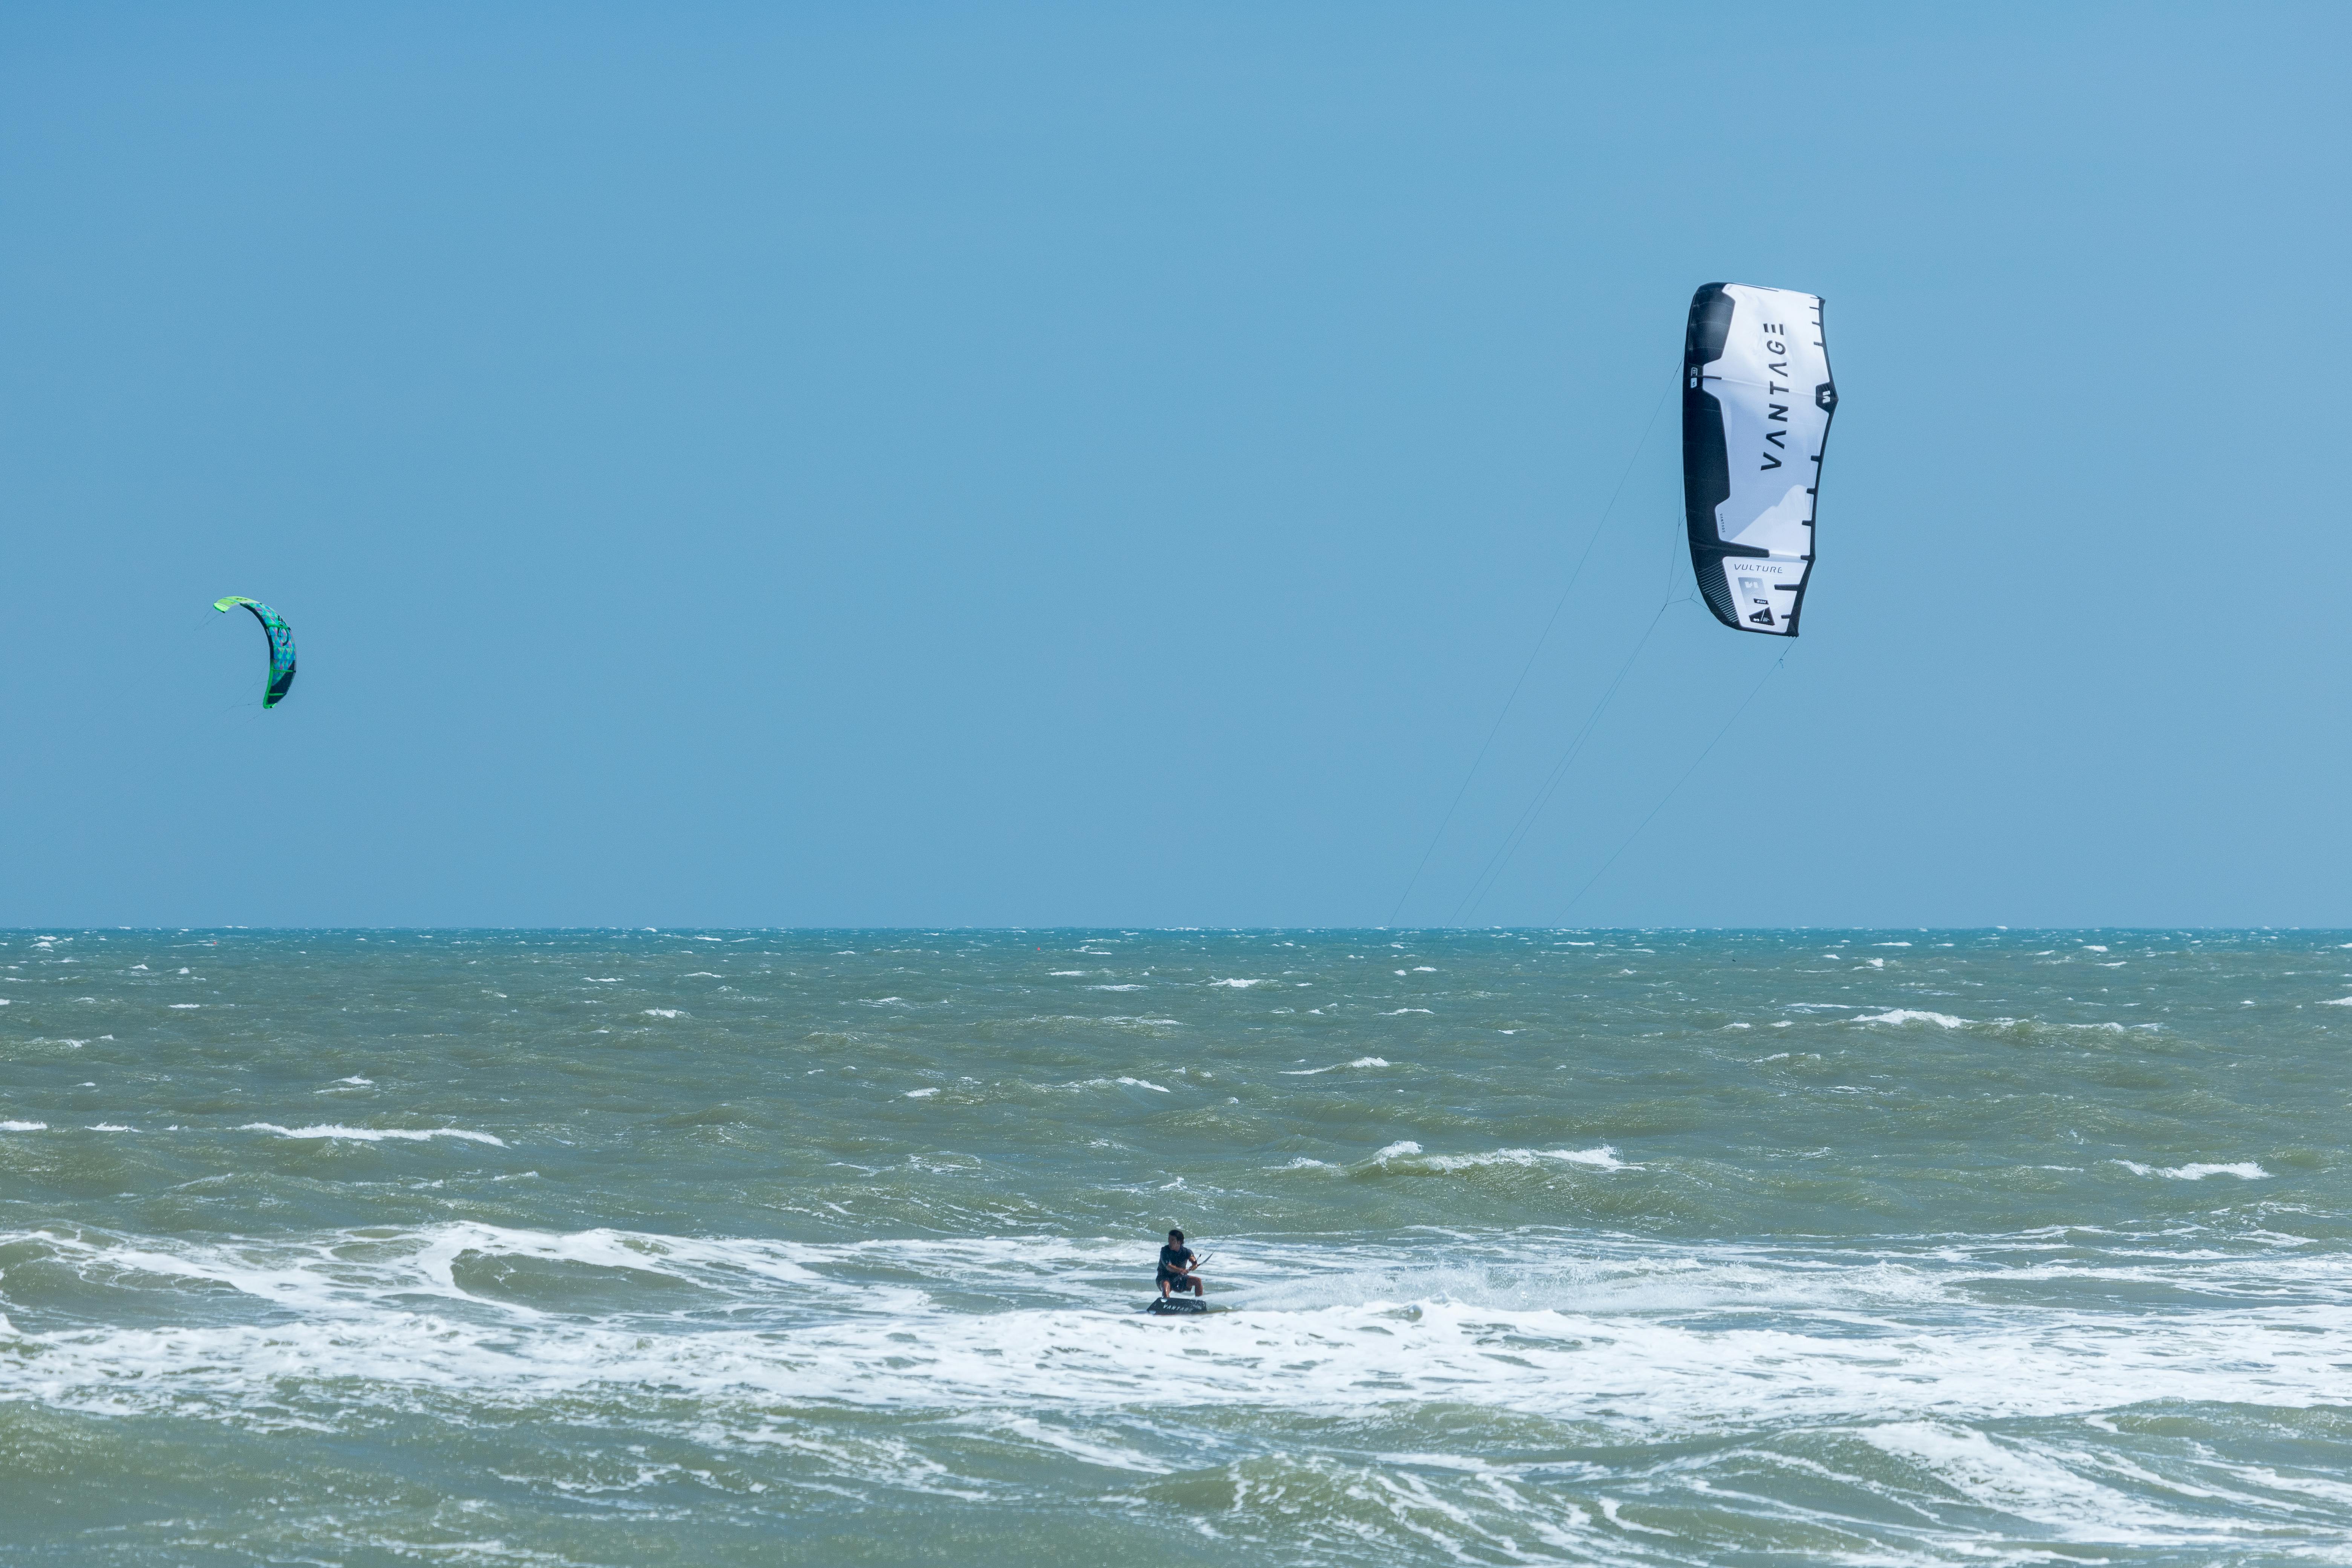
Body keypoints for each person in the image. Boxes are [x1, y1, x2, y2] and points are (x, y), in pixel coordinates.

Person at [1156, 1228, 1203, 1301]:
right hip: (1164, 1278)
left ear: (1179, 1242)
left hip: (1180, 1278)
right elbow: (1169, 1267)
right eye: (1169, 1239)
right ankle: (1166, 1305)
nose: (1170, 1242)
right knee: (1166, 1287)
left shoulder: (1186, 1252)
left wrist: (1194, 1264)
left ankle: (1199, 1304)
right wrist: (1181, 1270)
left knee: (1198, 1281)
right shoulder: (1165, 1251)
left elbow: (1192, 1259)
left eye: (1173, 1240)